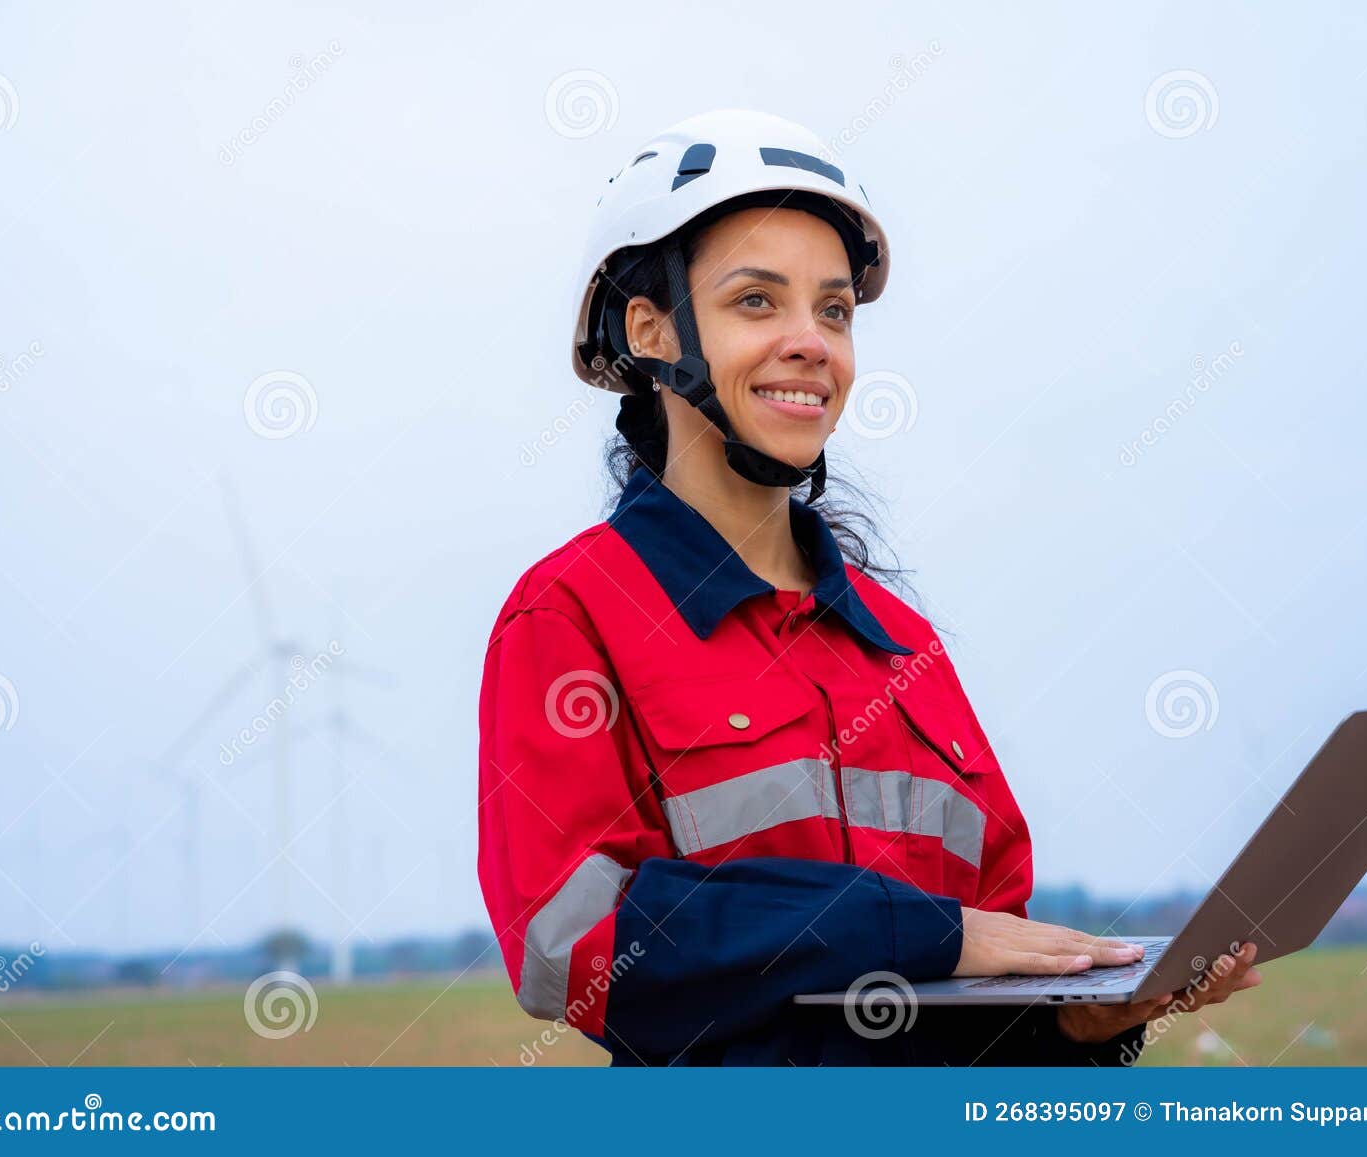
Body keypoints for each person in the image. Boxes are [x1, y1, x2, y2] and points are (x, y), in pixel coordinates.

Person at [477, 109, 1262, 1065]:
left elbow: (981, 964)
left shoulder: (902, 645)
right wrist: (908, 930)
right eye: (756, 301)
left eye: (835, 311)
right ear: (650, 330)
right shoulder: (570, 614)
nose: (813, 343)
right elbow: (571, 948)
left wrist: (1070, 1020)